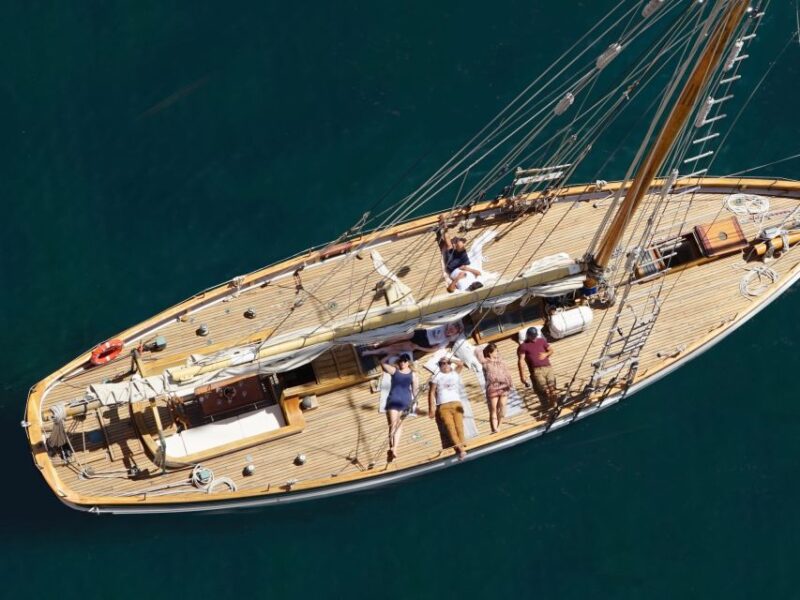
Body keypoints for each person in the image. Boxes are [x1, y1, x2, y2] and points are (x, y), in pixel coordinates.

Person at [380, 354, 419, 462]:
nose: (402, 362)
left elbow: (415, 390)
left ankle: (395, 448)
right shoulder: (394, 371)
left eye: (404, 361)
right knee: (393, 423)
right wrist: (391, 354)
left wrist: (416, 402)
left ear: (408, 363)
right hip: (394, 399)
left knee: (399, 424)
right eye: (401, 361)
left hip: (405, 401)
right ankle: (393, 447)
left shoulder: (413, 374)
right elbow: (382, 363)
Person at [427, 357, 468, 460]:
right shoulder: (436, 376)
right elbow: (432, 392)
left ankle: (461, 446)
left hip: (456, 403)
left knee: (459, 426)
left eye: (447, 363)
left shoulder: (454, 373)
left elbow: (461, 364)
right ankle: (461, 450)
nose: (445, 365)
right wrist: (432, 407)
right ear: (439, 366)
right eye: (442, 364)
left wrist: (450, 360)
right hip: (443, 405)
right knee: (450, 427)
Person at [361, 321, 464, 357]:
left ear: (454, 334)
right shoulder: (444, 324)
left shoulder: (446, 341)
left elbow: (433, 349)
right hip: (422, 333)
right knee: (400, 336)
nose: (450, 330)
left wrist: (418, 347)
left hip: (424, 343)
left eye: (453, 331)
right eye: (452, 328)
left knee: (396, 347)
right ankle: (378, 345)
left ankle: (370, 353)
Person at [475, 342, 515, 433]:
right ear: (490, 353)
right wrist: (484, 345)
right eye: (495, 351)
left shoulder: (501, 361)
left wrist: (510, 382)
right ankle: (495, 428)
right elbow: (477, 352)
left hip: (503, 385)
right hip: (492, 387)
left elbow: (507, 372)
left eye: (497, 351)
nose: (497, 353)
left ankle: (499, 425)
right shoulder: (485, 362)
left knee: (502, 406)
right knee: (494, 409)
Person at [437, 215, 482, 293]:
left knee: (449, 245)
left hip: (453, 267)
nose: (473, 284)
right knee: (460, 244)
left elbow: (450, 290)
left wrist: (458, 278)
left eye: (473, 286)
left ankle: (443, 225)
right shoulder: (477, 282)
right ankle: (456, 241)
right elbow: (478, 273)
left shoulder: (463, 288)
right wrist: (467, 269)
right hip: (464, 263)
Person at [517, 327, 557, 410]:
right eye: (532, 336)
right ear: (528, 336)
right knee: (545, 389)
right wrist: (522, 375)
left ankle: (555, 405)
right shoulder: (523, 346)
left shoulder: (541, 341)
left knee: (552, 387)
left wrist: (545, 354)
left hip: (548, 367)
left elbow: (551, 350)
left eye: (535, 336)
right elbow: (521, 361)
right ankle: (551, 405)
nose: (534, 338)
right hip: (537, 370)